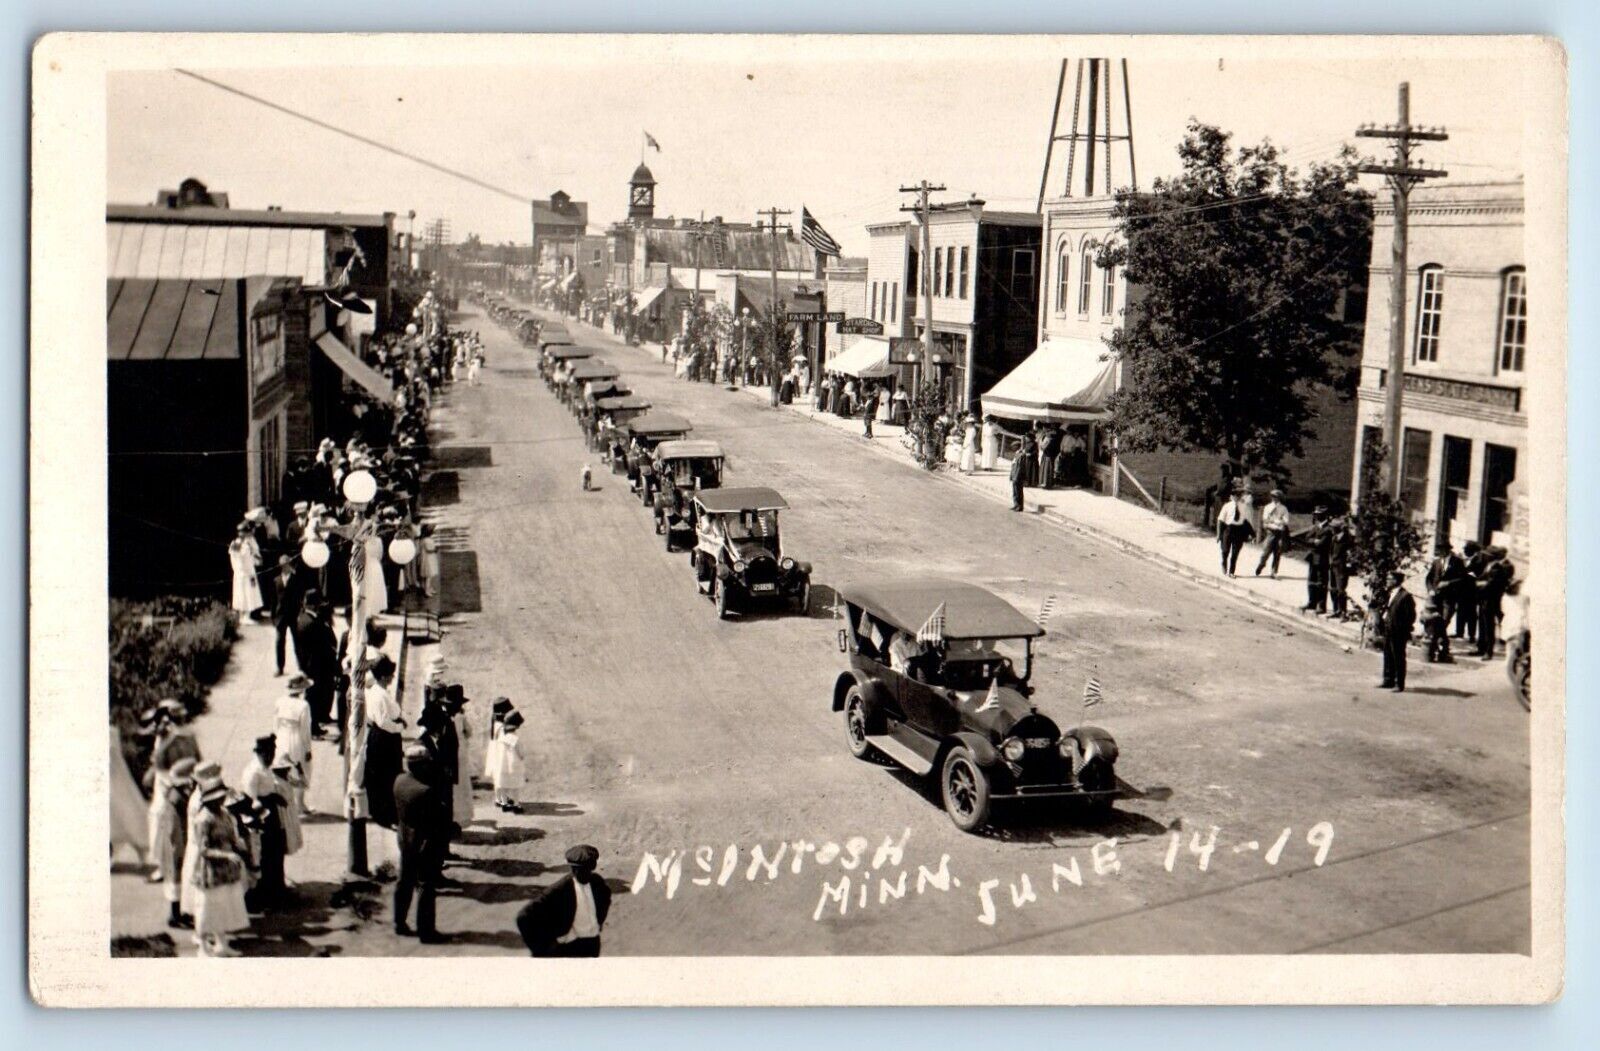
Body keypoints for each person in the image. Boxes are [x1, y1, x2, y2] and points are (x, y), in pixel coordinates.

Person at [393, 743, 449, 943]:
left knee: (404, 881)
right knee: (426, 885)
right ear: (421, 766)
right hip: (425, 844)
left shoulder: (399, 781)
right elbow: (439, 821)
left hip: (405, 839)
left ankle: (399, 923)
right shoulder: (426, 791)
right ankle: (426, 931)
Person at [515, 845, 613, 957]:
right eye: (579, 871)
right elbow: (523, 916)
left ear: (592, 868)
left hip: (592, 944)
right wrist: (541, 947)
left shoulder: (597, 883)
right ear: (573, 869)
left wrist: (598, 923)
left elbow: (606, 898)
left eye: (587, 870)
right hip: (569, 946)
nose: (583, 874)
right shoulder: (561, 889)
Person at [189, 782, 251, 957]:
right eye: (218, 798)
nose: (222, 800)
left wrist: (239, 846)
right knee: (207, 908)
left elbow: (231, 836)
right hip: (209, 871)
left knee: (223, 906)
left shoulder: (223, 814)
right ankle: (203, 947)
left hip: (226, 870)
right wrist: (226, 855)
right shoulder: (203, 819)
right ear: (209, 800)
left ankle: (221, 944)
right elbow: (203, 849)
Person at [143, 699, 200, 882]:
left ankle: (163, 866)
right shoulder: (190, 735)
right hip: (188, 780)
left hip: (167, 782)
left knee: (161, 823)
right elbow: (198, 758)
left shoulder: (169, 738)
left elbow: (158, 764)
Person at [238, 735, 287, 909]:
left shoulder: (265, 768)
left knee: (277, 851)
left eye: (272, 753)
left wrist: (276, 797)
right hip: (260, 817)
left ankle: (278, 888)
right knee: (266, 855)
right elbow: (250, 800)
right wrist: (261, 811)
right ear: (259, 753)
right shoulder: (253, 772)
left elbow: (268, 789)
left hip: (271, 811)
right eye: (267, 754)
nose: (271, 758)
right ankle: (267, 894)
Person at [153, 756, 198, 929]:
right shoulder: (176, 799)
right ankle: (175, 915)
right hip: (175, 845)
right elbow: (174, 828)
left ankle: (180, 913)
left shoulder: (174, 795)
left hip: (175, 843)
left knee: (177, 880)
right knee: (176, 881)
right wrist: (179, 849)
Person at [362, 655, 405, 829]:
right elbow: (383, 722)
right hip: (384, 739)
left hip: (382, 737)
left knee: (383, 776)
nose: (392, 678)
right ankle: (386, 816)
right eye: (390, 675)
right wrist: (399, 728)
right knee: (386, 777)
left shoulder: (376, 691)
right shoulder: (379, 695)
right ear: (383, 676)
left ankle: (383, 813)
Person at [292, 590, 340, 736]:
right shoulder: (312, 623)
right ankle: (313, 729)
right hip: (315, 666)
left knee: (318, 695)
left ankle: (321, 718)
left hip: (310, 664)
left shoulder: (303, 618)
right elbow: (321, 647)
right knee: (314, 697)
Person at [273, 676, 314, 816]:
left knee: (284, 770)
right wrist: (308, 749)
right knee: (301, 770)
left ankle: (289, 803)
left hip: (282, 738)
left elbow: (275, 724)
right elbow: (305, 730)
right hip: (296, 740)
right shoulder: (303, 705)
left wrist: (277, 740)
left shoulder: (279, 701)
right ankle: (300, 803)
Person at [1380, 571, 1417, 692]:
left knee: (1398, 657)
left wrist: (1403, 629)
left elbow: (1410, 616)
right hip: (1388, 628)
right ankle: (1388, 679)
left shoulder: (1405, 596)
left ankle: (1399, 683)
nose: (1387, 581)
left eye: (1390, 579)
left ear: (1396, 581)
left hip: (1398, 631)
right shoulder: (1390, 594)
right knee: (1387, 654)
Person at [1477, 546, 1514, 660]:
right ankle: (1481, 648)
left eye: (1487, 555)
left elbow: (1491, 584)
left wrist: (1480, 585)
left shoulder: (1497, 567)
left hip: (1491, 599)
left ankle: (1489, 651)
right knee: (1483, 625)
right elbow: (1481, 578)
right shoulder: (1489, 566)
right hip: (1484, 599)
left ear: (1492, 556)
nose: (1485, 556)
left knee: (1489, 626)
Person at [270, 556, 303, 676]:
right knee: (279, 642)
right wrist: (273, 616)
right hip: (280, 616)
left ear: (290, 565)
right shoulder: (276, 580)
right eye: (282, 565)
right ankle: (280, 668)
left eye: (287, 564)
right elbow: (273, 600)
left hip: (293, 615)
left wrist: (300, 614)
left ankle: (301, 666)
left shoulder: (296, 579)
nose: (285, 567)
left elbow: (300, 599)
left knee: (297, 642)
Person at [491, 711, 527, 814]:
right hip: (514, 766)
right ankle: (516, 804)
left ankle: (504, 803)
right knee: (515, 786)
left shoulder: (501, 738)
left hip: (501, 765)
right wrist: (522, 756)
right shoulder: (516, 739)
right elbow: (521, 753)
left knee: (502, 784)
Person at [1298, 507, 1333, 613]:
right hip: (1313, 557)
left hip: (1322, 558)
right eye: (1316, 514)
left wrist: (1313, 541)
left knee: (1321, 582)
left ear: (1324, 515)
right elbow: (1307, 538)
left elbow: (1322, 544)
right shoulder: (1316, 527)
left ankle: (1321, 605)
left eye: (1319, 514)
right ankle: (1312, 602)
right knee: (1311, 580)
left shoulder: (1328, 529)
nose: (1316, 516)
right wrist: (1314, 541)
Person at [1214, 488, 1255, 577]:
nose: (1237, 498)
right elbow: (1220, 520)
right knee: (1225, 550)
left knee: (1235, 553)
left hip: (1239, 531)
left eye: (1239, 496)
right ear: (1232, 497)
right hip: (1228, 530)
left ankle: (1231, 572)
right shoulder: (1227, 506)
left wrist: (1252, 534)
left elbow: (1246, 522)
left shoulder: (1244, 507)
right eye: (1235, 496)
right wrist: (1218, 534)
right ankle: (1224, 563)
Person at [228, 522, 264, 618]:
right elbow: (237, 559)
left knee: (252, 593)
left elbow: (254, 557)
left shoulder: (247, 543)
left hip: (251, 573)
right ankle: (243, 616)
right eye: (245, 532)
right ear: (240, 533)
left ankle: (249, 615)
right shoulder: (236, 544)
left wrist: (256, 559)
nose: (248, 534)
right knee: (242, 594)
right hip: (242, 574)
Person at [1254, 489, 1291, 577]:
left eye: (1276, 497)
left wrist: (1276, 521)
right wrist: (1277, 521)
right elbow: (1266, 519)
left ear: (1279, 498)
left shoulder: (1283, 508)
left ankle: (1274, 571)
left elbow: (1286, 521)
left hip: (1280, 532)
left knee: (1277, 552)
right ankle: (1261, 564)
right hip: (1271, 532)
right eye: (1273, 497)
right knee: (1266, 552)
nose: (1274, 498)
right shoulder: (1268, 507)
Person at [1327, 515, 1354, 617]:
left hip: (1342, 567)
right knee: (1332, 588)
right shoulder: (1334, 537)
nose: (1332, 529)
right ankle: (1336, 610)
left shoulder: (1347, 539)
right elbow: (1331, 551)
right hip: (1333, 565)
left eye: (1334, 527)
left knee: (1341, 590)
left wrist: (1348, 565)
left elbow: (1351, 553)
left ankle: (1343, 611)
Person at [1421, 590, 1453, 664]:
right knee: (1436, 637)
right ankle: (1439, 654)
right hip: (1433, 611)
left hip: (1440, 612)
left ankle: (1442, 654)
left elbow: (1447, 606)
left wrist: (1444, 619)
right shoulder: (1431, 583)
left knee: (1441, 637)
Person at [1039, 425, 1062, 490]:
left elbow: (1042, 447)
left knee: (1047, 469)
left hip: (1048, 455)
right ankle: (1046, 483)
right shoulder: (1050, 439)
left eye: (1048, 431)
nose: (1047, 433)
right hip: (1048, 455)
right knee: (1047, 469)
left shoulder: (1049, 439)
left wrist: (1041, 443)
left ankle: (1046, 483)